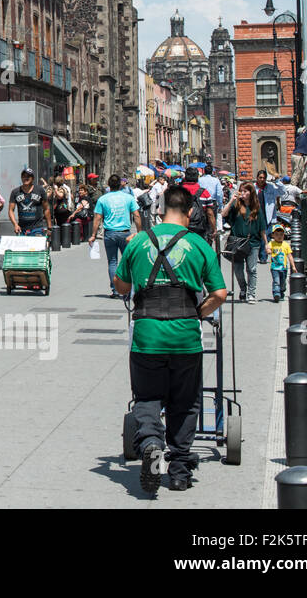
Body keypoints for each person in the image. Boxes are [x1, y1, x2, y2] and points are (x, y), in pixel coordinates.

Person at [114, 185, 227, 493]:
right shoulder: (198, 244)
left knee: (148, 397)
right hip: (185, 336)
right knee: (186, 402)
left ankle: (151, 442)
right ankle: (178, 470)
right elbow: (219, 293)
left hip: (147, 335)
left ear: (160, 210)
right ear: (190, 212)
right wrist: (199, 313)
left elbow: (122, 287)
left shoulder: (139, 241)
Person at [87, 174, 141, 297]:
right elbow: (137, 216)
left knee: (112, 262)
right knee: (127, 261)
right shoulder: (128, 198)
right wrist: (140, 232)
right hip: (125, 233)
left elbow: (97, 218)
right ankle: (127, 289)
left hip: (110, 233)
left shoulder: (103, 199)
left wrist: (93, 234)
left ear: (109, 185)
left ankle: (115, 290)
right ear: (120, 185)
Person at [223, 182, 268, 303]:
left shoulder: (256, 208)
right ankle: (243, 288)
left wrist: (267, 244)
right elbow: (223, 214)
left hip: (253, 242)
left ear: (251, 193)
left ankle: (251, 293)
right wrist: (231, 201)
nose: (242, 193)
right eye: (241, 191)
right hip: (237, 243)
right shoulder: (236, 206)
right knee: (238, 270)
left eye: (245, 191)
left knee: (252, 269)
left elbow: (262, 228)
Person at [8, 168, 52, 236]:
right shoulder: (15, 192)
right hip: (22, 229)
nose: (26, 178)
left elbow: (46, 209)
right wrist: (15, 224)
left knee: (37, 247)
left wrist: (49, 226)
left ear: (33, 178)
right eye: (24, 176)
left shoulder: (40, 190)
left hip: (37, 228)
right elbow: (11, 210)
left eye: (28, 176)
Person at [267, 223, 295, 303]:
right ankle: (276, 294)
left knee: (282, 283)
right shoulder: (272, 243)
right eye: (277, 234)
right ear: (273, 235)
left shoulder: (286, 245)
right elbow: (268, 248)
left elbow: (290, 256)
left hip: (283, 268)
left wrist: (293, 266)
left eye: (281, 235)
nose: (279, 236)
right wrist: (268, 250)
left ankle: (282, 292)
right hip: (274, 267)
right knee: (276, 281)